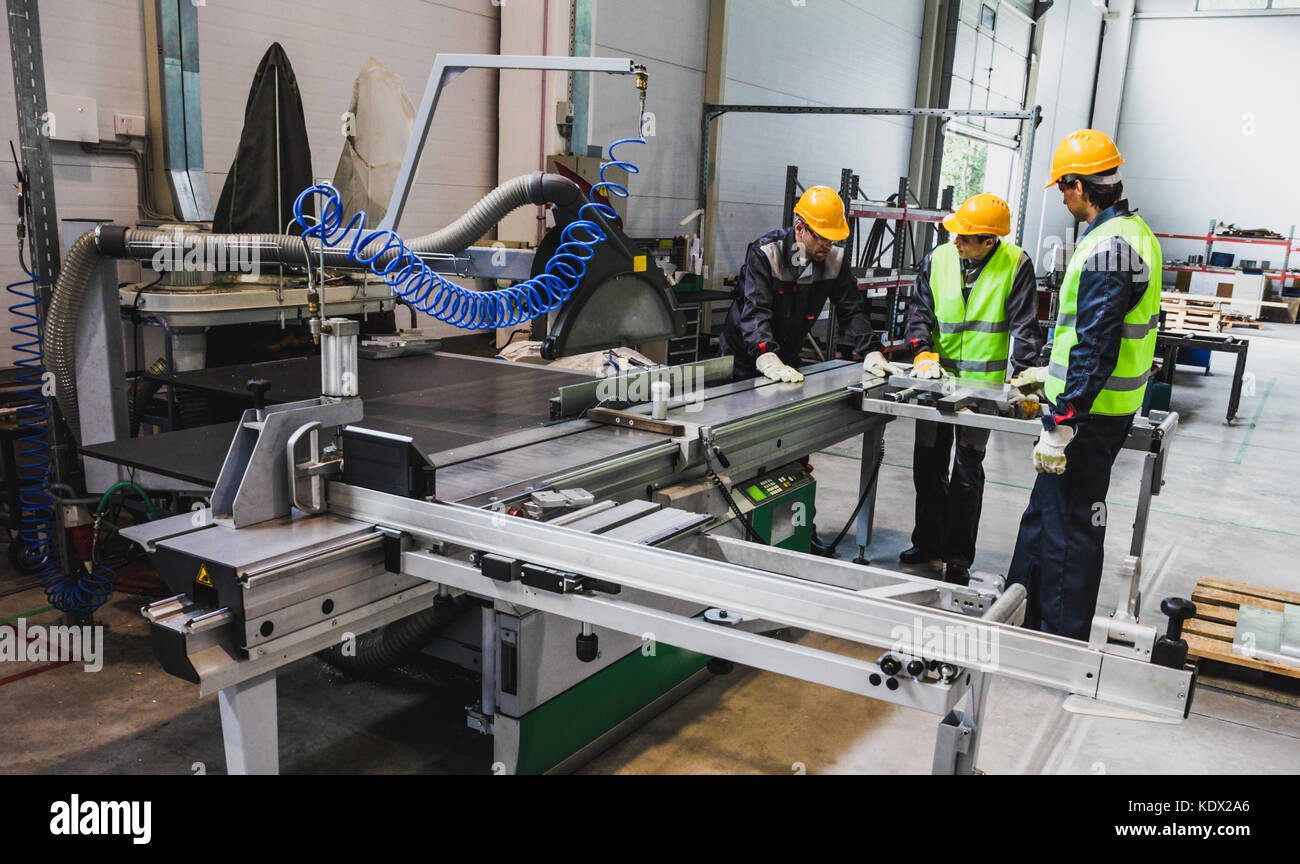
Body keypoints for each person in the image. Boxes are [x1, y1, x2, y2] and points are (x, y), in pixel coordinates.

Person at [1006, 129, 1162, 639]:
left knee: (1072, 527)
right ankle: (1020, 610)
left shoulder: (1112, 246)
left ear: (1078, 185)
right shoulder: (1132, 234)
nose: (1062, 197)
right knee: (1043, 514)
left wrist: (1065, 418)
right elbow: (1086, 332)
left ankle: (1061, 640)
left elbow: (1097, 343)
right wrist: (1047, 374)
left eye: (1062, 188)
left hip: (1088, 419)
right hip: (1093, 408)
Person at [898, 193, 1042, 585]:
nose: (956, 241)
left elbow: (1025, 327)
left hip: (983, 390)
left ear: (989, 242)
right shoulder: (939, 258)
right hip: (935, 382)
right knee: (927, 464)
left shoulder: (1016, 265)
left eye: (964, 237)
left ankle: (957, 556)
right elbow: (919, 311)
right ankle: (927, 542)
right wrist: (922, 352)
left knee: (966, 470)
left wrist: (1024, 378)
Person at [718, 185, 900, 382]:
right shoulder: (767, 254)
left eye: (833, 239)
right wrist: (766, 355)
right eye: (822, 238)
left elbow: (852, 308)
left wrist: (870, 351)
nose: (828, 246)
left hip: (787, 357)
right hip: (744, 357)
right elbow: (756, 310)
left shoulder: (834, 259)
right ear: (799, 228)